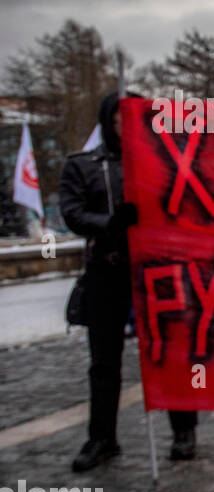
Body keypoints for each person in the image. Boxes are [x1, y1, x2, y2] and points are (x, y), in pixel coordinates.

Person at [60, 90, 199, 472]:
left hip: (157, 272)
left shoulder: (166, 161)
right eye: (122, 119)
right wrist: (110, 223)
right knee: (104, 362)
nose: (128, 127)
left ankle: (184, 430)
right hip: (108, 270)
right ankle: (102, 437)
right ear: (109, 122)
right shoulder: (84, 166)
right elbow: (72, 213)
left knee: (170, 354)